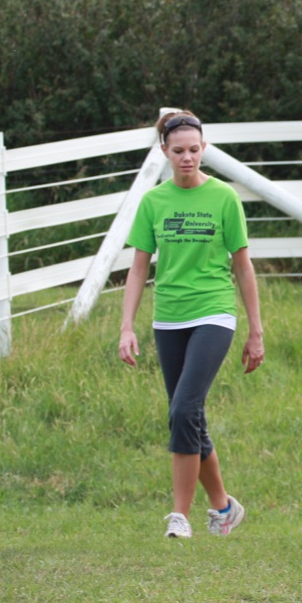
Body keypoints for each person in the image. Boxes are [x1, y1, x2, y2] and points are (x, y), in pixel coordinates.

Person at [118, 110, 264, 539]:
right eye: (178, 151)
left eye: (195, 150)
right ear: (164, 151)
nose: (187, 158)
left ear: (204, 149)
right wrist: (127, 326)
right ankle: (223, 507)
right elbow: (138, 269)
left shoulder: (223, 198)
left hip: (214, 314)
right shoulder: (153, 202)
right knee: (189, 417)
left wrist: (256, 331)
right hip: (168, 319)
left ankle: (179, 515)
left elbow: (243, 266)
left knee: (183, 409)